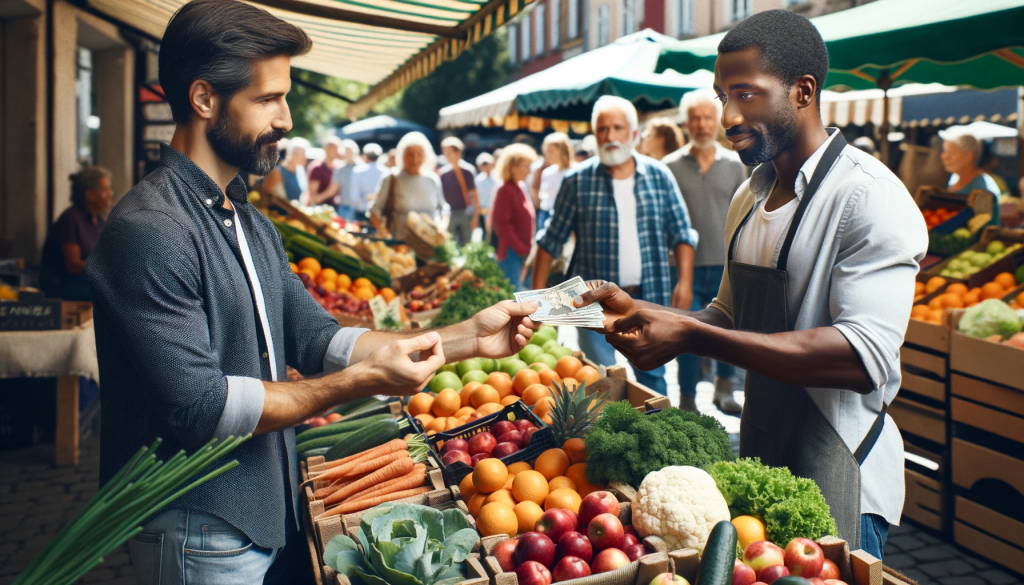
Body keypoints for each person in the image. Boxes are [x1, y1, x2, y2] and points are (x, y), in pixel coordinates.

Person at [84, 3, 539, 584]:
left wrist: (463, 338)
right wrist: (355, 385)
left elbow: (316, 336)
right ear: (204, 99)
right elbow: (202, 408)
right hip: (200, 528)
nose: (288, 118)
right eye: (269, 99)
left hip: (258, 517)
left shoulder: (244, 219)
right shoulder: (148, 229)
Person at [575, 10, 927, 559]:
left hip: (842, 472)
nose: (728, 117)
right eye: (721, 97)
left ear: (803, 92)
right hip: (762, 458)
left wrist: (693, 337)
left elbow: (860, 359)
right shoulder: (749, 196)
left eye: (746, 94)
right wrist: (643, 311)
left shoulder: (868, 198)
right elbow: (727, 315)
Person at [532, 95, 698, 396]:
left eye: (617, 128)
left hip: (648, 297)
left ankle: (655, 430)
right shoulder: (576, 181)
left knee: (653, 377)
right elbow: (549, 240)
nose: (609, 136)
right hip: (593, 304)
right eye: (602, 129)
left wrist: (685, 283)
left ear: (634, 134)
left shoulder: (659, 176)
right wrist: (538, 303)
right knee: (600, 381)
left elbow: (682, 233)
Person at [663, 89, 747, 414]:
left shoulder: (735, 164)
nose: (701, 125)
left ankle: (724, 387)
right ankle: (686, 398)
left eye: (707, 117)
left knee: (727, 331)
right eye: (694, 118)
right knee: (686, 335)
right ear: (685, 123)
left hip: (726, 268)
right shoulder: (669, 166)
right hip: (683, 269)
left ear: (717, 121)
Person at [40, 167, 114, 301]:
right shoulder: (71, 219)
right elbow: (73, 265)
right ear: (89, 195)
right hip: (66, 286)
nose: (110, 194)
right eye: (105, 190)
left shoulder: (98, 221)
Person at [370, 132, 448, 241]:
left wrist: (443, 225)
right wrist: (383, 231)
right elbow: (375, 209)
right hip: (400, 243)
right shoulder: (391, 178)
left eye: (419, 154)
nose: (414, 159)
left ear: (425, 156)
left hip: (429, 245)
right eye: (410, 154)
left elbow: (443, 207)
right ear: (402, 156)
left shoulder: (432, 179)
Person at [491, 144, 538, 291]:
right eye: (526, 166)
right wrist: (521, 248)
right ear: (512, 166)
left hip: (521, 251)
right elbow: (503, 226)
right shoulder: (505, 189)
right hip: (511, 252)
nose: (529, 171)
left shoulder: (520, 187)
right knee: (512, 298)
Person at [438, 136, 481, 246]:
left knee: (466, 244)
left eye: (449, 153)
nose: (446, 156)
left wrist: (475, 217)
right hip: (449, 214)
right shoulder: (443, 173)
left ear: (458, 153)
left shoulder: (467, 171)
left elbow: (474, 195)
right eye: (445, 153)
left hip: (465, 212)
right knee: (449, 244)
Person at [530, 133, 574, 231]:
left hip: (564, 216)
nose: (547, 155)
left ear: (562, 151)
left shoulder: (574, 172)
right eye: (546, 152)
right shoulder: (546, 172)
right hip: (544, 214)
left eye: (551, 151)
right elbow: (538, 193)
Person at [262, 136, 309, 202]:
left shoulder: (300, 172)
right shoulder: (277, 172)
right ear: (293, 152)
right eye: (302, 153)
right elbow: (266, 197)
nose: (305, 157)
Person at [351, 143, 387, 217]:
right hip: (379, 212)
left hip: (361, 211)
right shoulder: (385, 171)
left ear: (365, 156)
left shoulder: (358, 171)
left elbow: (354, 196)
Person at [306, 136, 342, 205]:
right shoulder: (317, 168)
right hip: (318, 210)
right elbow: (313, 199)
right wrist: (330, 191)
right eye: (333, 149)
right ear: (326, 149)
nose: (336, 152)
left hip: (331, 209)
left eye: (337, 149)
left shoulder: (337, 167)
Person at [332, 139, 360, 220]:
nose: (348, 153)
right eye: (346, 151)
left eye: (350, 151)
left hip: (357, 207)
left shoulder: (361, 168)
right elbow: (335, 187)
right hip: (343, 205)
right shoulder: (340, 169)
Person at [475, 152, 497, 218]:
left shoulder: (499, 177)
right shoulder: (478, 180)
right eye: (483, 164)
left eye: (487, 163)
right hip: (485, 213)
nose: (486, 166)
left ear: (492, 163)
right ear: (479, 167)